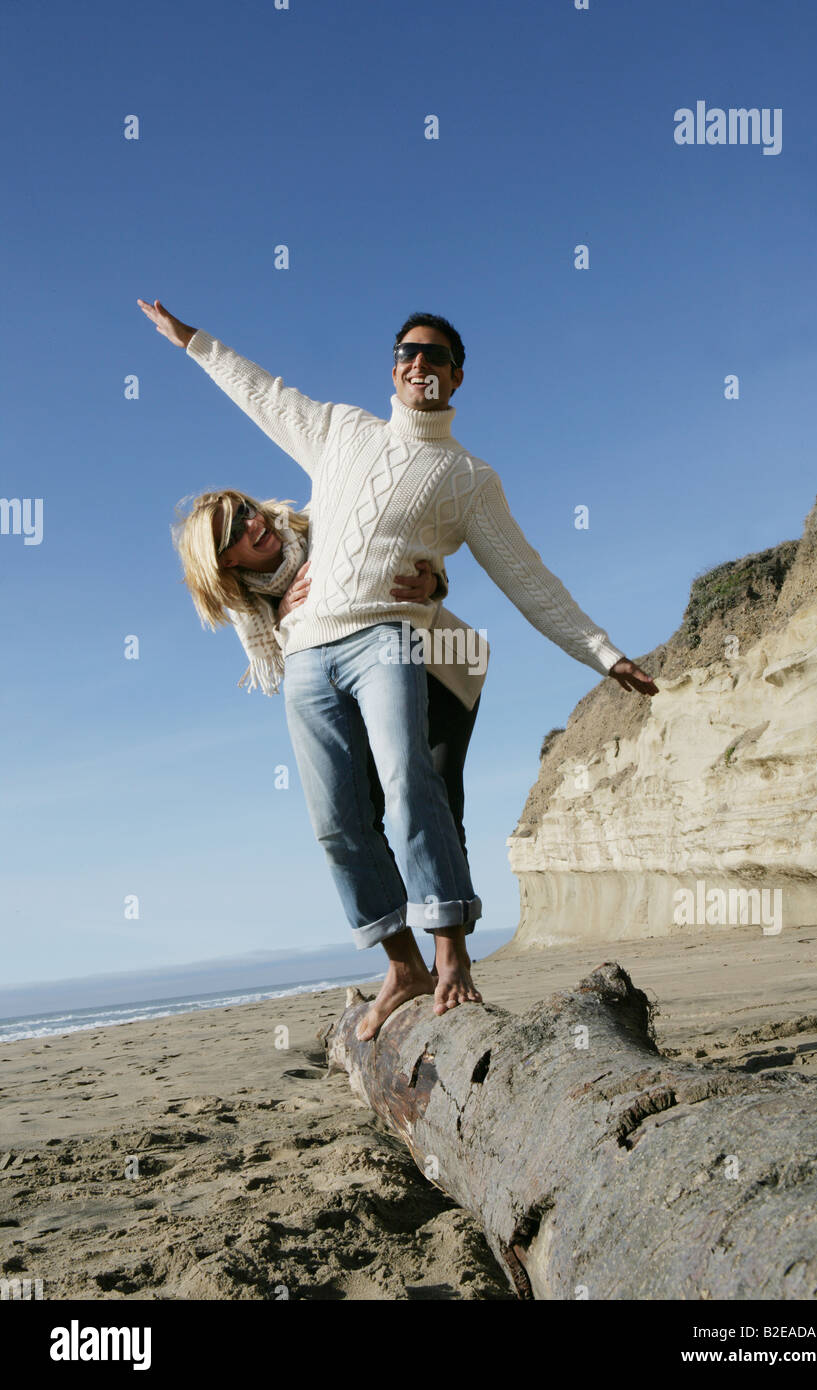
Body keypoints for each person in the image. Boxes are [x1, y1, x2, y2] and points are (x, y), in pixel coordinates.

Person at [138, 297, 658, 1041]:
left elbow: (528, 577)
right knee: (336, 823)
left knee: (412, 782)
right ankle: (402, 966)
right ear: (393, 369)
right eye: (409, 352)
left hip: (391, 640)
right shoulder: (342, 432)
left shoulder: (469, 479)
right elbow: (262, 392)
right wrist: (194, 342)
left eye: (437, 356)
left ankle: (451, 953)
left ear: (457, 377)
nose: (421, 364)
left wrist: (602, 651)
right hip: (308, 657)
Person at [172, 486, 486, 896]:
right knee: (361, 813)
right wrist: (284, 619)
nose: (253, 524)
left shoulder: (321, 523)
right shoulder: (248, 605)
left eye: (246, 510)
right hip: (355, 697)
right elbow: (295, 665)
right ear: (225, 560)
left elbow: (400, 532)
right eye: (234, 530)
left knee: (432, 797)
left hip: (437, 669)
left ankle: (452, 941)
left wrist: (433, 576)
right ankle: (406, 948)